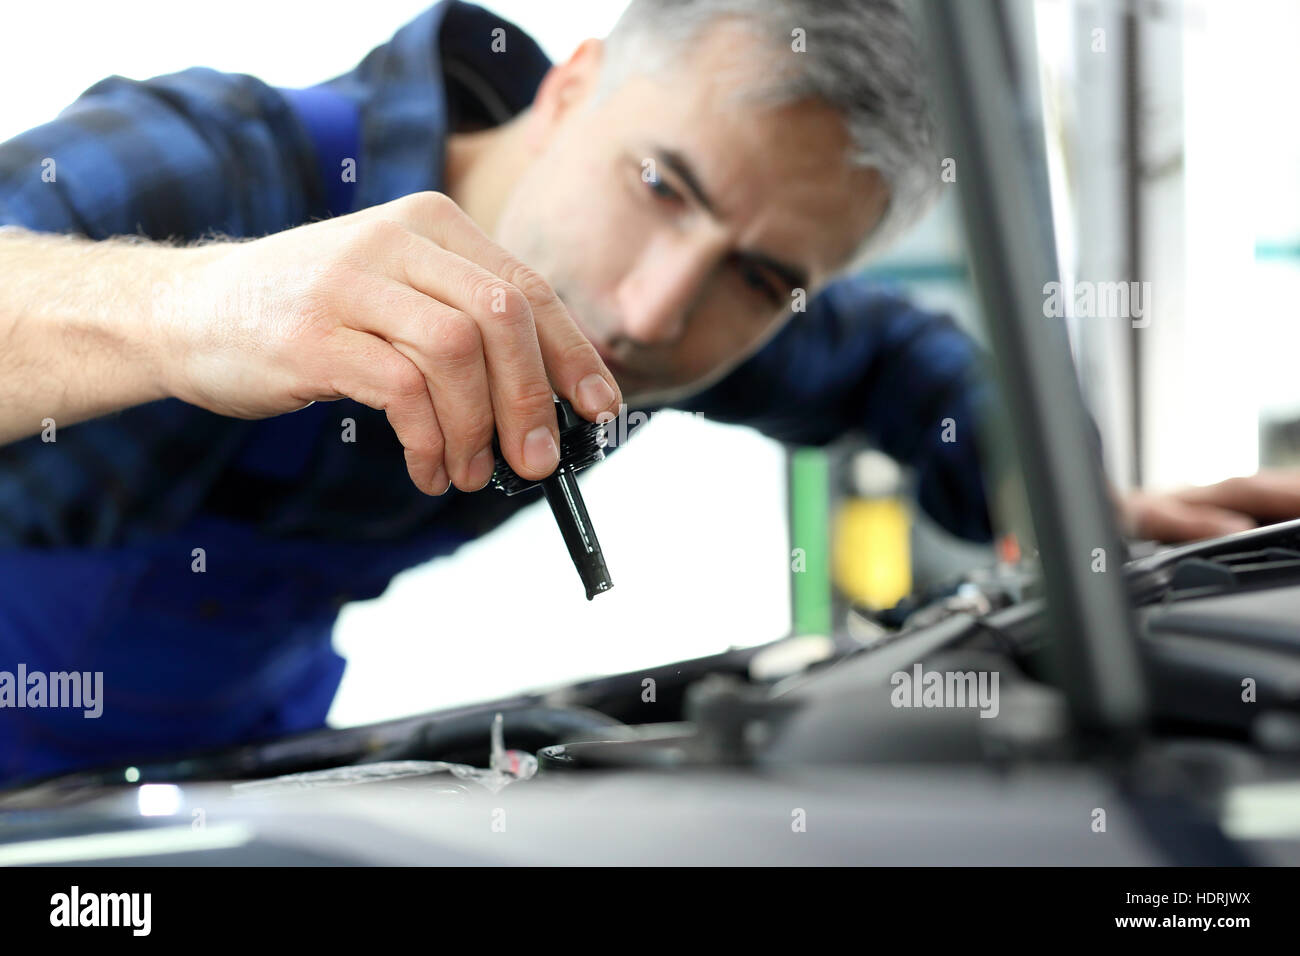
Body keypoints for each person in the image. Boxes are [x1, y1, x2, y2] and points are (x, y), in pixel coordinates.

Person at [0, 0, 1295, 782]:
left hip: (235, 762)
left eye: (764, 272)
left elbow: (907, 363)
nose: (654, 315)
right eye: (662, 184)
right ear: (571, 91)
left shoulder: (711, 307)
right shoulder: (209, 171)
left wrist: (1065, 503)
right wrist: (191, 307)